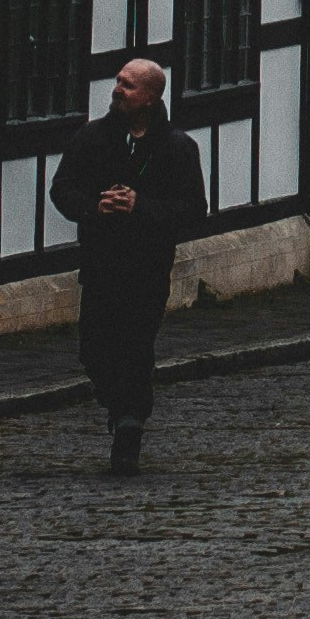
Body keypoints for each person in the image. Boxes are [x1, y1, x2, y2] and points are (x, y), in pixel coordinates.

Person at [46, 53, 206, 474]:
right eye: (118, 82)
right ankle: (120, 408)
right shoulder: (92, 139)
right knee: (94, 349)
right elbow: (62, 189)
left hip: (147, 268)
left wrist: (140, 207)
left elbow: (192, 210)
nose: (117, 90)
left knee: (135, 348)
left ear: (150, 97)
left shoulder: (177, 148)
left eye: (128, 85)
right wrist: (94, 207)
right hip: (100, 264)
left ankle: (129, 427)